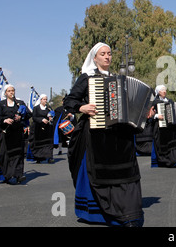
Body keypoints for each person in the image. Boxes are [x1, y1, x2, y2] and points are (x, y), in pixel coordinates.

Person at [63, 42, 144, 227]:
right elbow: (70, 100)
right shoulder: (87, 78)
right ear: (95, 58)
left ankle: (126, 209)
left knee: (122, 169)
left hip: (116, 135)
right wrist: (82, 107)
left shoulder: (119, 79)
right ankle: (96, 212)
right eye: (103, 54)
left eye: (109, 53)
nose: (107, 56)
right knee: (96, 169)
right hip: (94, 133)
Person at [0, 84, 31, 185]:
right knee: (5, 155)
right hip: (4, 134)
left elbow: (29, 114)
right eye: (9, 91)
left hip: (17, 133)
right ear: (5, 93)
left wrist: (22, 116)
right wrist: (5, 120)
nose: (11, 92)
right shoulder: (1, 104)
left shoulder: (20, 103)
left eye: (12, 90)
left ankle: (18, 175)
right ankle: (8, 175)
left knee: (18, 153)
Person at [151, 85, 176, 168]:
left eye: (165, 90)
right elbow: (149, 114)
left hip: (170, 126)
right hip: (160, 126)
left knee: (175, 139)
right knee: (164, 143)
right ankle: (167, 161)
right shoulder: (155, 102)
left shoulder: (170, 101)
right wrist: (156, 115)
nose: (164, 91)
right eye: (162, 90)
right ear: (158, 92)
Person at [28, 94, 55, 163]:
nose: (45, 101)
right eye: (44, 99)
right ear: (40, 100)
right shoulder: (36, 108)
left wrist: (50, 118)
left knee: (48, 143)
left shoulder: (48, 108)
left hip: (47, 128)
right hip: (38, 128)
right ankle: (39, 158)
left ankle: (49, 157)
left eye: (46, 99)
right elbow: (34, 117)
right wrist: (42, 119)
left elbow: (51, 115)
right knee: (38, 143)